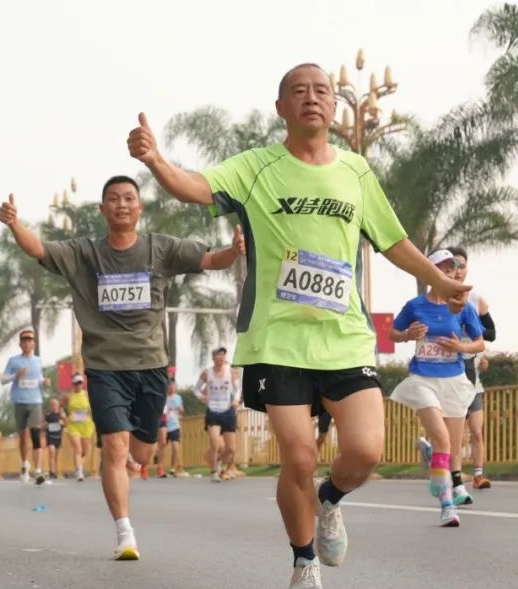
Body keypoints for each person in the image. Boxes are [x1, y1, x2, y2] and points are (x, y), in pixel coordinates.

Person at [128, 63, 470, 586]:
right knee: (300, 455)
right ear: (281, 107)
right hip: (276, 338)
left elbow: (392, 240)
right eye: (299, 92)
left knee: (365, 451)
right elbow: (193, 187)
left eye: (322, 91)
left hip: (344, 338)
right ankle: (304, 560)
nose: (312, 99)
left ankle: (330, 501)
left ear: (334, 107)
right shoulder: (257, 167)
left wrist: (436, 282)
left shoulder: (355, 172)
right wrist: (156, 161)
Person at [0, 175, 245, 560]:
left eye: (129, 198)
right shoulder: (84, 254)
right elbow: (39, 249)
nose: (122, 204)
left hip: (151, 367)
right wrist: (15, 224)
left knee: (141, 456)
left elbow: (211, 259)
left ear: (139, 207)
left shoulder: (159, 248)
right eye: (113, 199)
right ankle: (124, 533)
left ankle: (133, 468)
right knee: (114, 446)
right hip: (104, 368)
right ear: (102, 209)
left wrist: (233, 250)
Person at [389, 250, 485, 527]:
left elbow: (479, 343)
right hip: (422, 379)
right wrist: (408, 335)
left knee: (453, 449)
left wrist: (461, 347)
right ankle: (446, 506)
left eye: (451, 268)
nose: (448, 272)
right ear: (429, 272)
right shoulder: (415, 305)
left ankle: (436, 465)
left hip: (454, 380)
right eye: (441, 268)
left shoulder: (463, 307)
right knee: (442, 439)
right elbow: (392, 333)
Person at [448, 246, 497, 492]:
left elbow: (492, 334)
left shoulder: (476, 300)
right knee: (451, 434)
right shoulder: (437, 297)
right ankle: (446, 471)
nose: (458, 271)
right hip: (446, 370)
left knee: (476, 430)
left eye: (462, 266)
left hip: (471, 369)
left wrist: (471, 327)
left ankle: (478, 475)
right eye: (453, 266)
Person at [1, 329, 50, 484]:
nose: (27, 343)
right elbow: (3, 379)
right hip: (20, 401)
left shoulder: (38, 361)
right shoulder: (13, 361)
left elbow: (39, 378)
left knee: (36, 434)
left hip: (36, 401)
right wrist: (16, 376)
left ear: (33, 344)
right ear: (20, 344)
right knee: (23, 436)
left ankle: (38, 471)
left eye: (30, 340)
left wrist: (45, 382)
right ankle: (24, 464)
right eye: (24, 340)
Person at [197, 347, 240, 482]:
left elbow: (238, 389)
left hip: (227, 411)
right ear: (213, 358)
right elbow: (196, 389)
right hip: (213, 411)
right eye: (217, 355)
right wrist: (202, 397)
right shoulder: (206, 373)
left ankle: (218, 463)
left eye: (222, 355)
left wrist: (236, 399)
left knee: (231, 449)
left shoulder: (231, 372)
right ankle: (215, 471)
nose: (220, 358)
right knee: (216, 443)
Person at [64, 374, 95, 483]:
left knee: (85, 451)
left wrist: (90, 414)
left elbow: (92, 408)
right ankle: (79, 471)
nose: (79, 385)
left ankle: (78, 466)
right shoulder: (68, 396)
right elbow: (61, 408)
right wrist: (65, 417)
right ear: (73, 384)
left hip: (86, 425)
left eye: (80, 383)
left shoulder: (86, 395)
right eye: (77, 383)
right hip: (73, 425)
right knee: (78, 448)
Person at [157, 381, 184, 478]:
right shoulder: (163, 397)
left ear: (175, 388)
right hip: (164, 424)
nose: (172, 388)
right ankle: (160, 467)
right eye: (170, 387)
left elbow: (181, 411)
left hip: (174, 425)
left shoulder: (178, 398)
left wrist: (179, 408)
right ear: (167, 387)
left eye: (173, 387)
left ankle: (172, 468)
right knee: (162, 445)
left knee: (175, 447)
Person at [44, 398, 66, 481]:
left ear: (58, 405)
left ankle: (56, 471)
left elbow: (67, 423)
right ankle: (52, 472)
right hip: (50, 437)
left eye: (55, 404)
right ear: (50, 406)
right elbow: (42, 424)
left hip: (58, 437)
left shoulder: (61, 414)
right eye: (52, 404)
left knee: (56, 455)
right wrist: (45, 425)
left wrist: (63, 422)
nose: (54, 406)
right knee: (52, 452)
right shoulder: (48, 415)